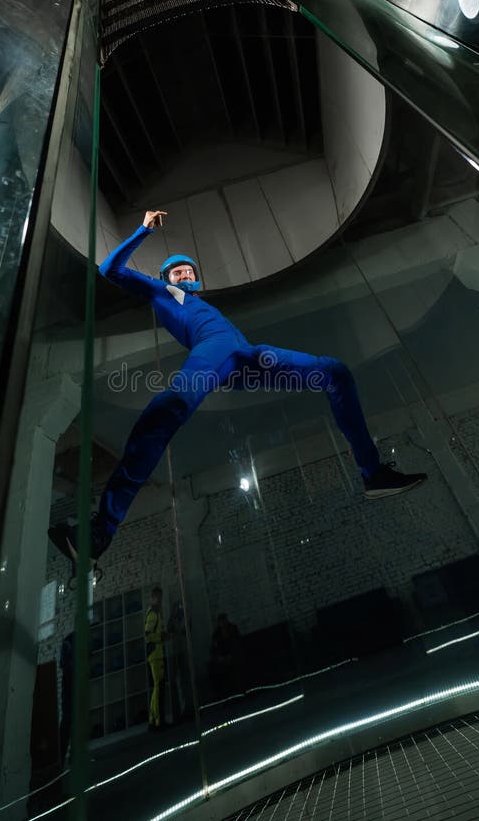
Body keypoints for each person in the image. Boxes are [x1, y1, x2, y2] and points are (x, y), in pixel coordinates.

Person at [48, 209, 427, 567]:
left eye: (187, 271)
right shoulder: (159, 293)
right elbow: (109, 268)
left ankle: (373, 474)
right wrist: (144, 229)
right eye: (176, 272)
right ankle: (100, 532)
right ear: (165, 278)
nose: (182, 275)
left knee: (335, 372)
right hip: (212, 353)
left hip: (248, 359)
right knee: (167, 410)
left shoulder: (202, 303)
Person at [144, 586, 170, 731]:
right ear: (152, 598)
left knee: (157, 687)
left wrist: (163, 635)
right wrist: (162, 637)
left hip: (156, 654)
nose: (160, 600)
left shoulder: (157, 613)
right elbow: (148, 635)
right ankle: (159, 721)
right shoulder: (153, 613)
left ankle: (154, 720)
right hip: (155, 655)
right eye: (157, 598)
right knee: (158, 687)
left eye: (161, 598)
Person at [209, 613, 244, 698]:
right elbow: (215, 649)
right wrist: (220, 658)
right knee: (219, 672)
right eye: (221, 621)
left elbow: (237, 643)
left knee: (236, 668)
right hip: (223, 658)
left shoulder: (233, 628)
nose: (223, 623)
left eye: (224, 621)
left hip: (234, 656)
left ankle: (239, 692)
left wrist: (231, 655)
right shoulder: (216, 634)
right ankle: (228, 695)